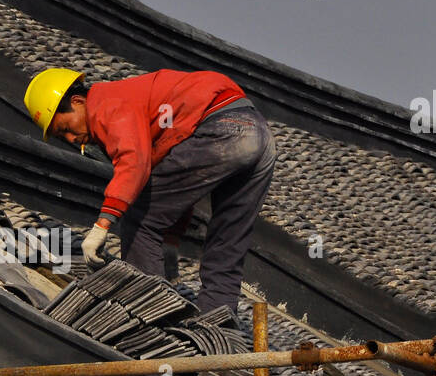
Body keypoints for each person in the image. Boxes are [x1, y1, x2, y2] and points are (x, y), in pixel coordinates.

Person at [24, 67, 276, 317]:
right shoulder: (145, 109)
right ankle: (219, 328)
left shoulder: (106, 103)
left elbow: (134, 163)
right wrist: (170, 241)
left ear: (78, 101)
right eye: (61, 136)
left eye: (65, 128)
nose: (70, 139)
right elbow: (178, 189)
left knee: (138, 216)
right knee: (226, 248)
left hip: (222, 127)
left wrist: (102, 225)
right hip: (259, 136)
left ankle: (149, 313)